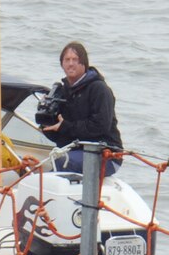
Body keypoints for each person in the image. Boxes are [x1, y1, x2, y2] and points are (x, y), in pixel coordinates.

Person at [37, 42, 123, 176]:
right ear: (62, 64)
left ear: (84, 63)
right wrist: (48, 127)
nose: (70, 64)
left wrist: (65, 126)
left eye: (75, 59)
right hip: (76, 150)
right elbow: (64, 134)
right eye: (67, 60)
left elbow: (100, 126)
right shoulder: (62, 91)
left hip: (106, 154)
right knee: (44, 167)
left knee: (62, 161)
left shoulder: (99, 89)